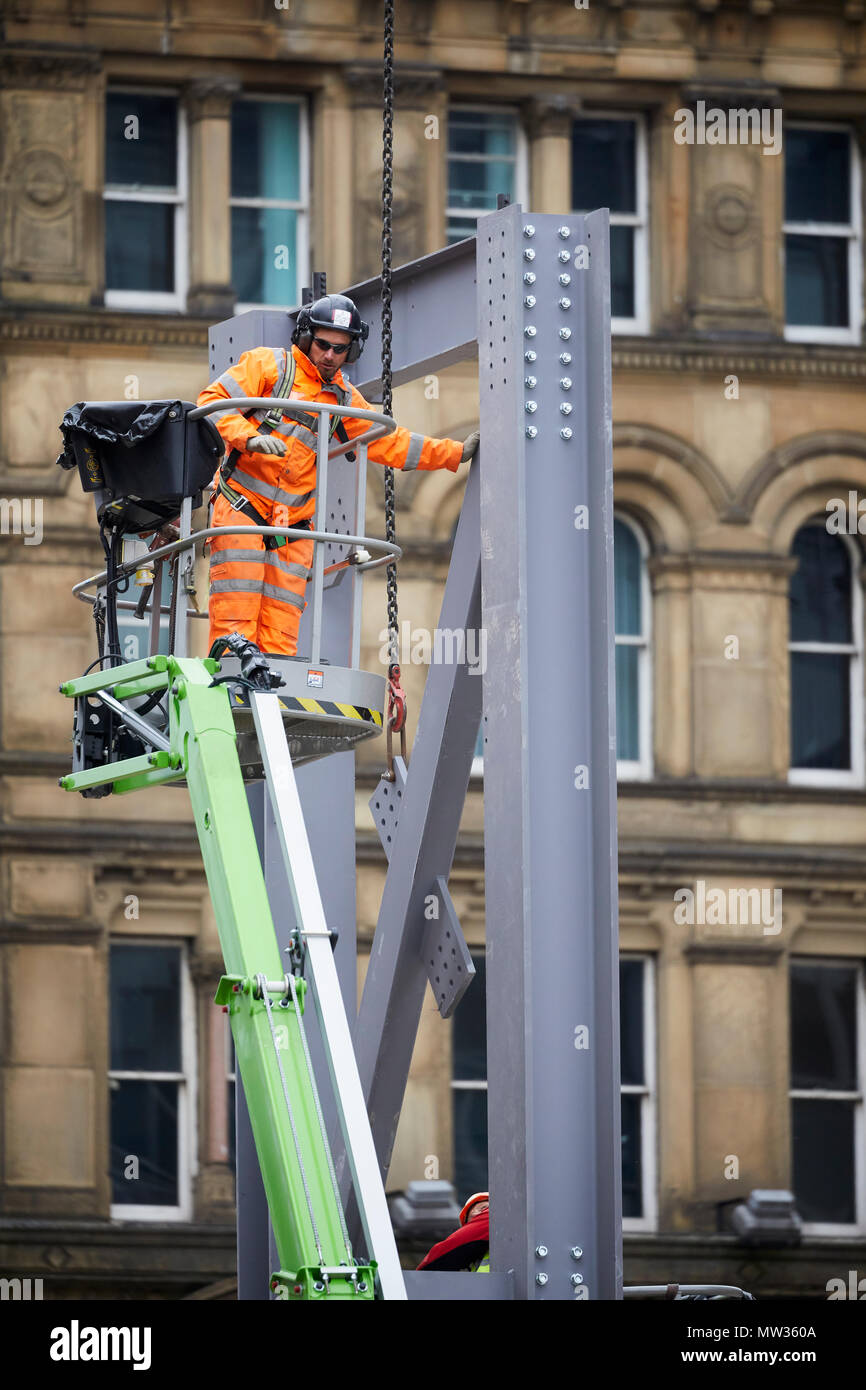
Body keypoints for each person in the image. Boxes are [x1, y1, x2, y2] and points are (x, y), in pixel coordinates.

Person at [196, 293, 480, 657]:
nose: (330, 355)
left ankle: (271, 694)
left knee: (281, 628)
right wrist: (250, 439)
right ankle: (231, 688)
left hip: (291, 527)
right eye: (323, 345)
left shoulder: (344, 399)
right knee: (237, 618)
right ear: (305, 338)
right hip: (242, 511)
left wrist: (453, 453)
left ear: (352, 352)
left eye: (340, 349)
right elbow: (211, 405)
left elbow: (391, 442)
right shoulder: (270, 367)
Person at [417, 1192, 489, 1273]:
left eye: (483, 1208)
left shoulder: (494, 1214)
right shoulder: (477, 1257)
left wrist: (419, 1276)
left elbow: (450, 1247)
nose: (476, 1215)